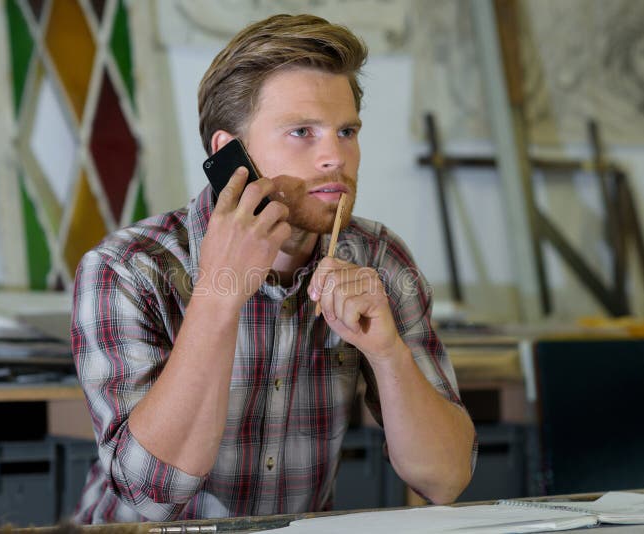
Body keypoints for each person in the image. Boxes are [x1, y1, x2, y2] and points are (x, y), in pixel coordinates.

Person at [71, 13, 476, 524]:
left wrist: (388, 352)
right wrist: (220, 294)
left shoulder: (379, 261)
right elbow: (151, 494)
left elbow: (446, 479)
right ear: (230, 154)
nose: (335, 157)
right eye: (302, 132)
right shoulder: (127, 270)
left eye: (346, 131)